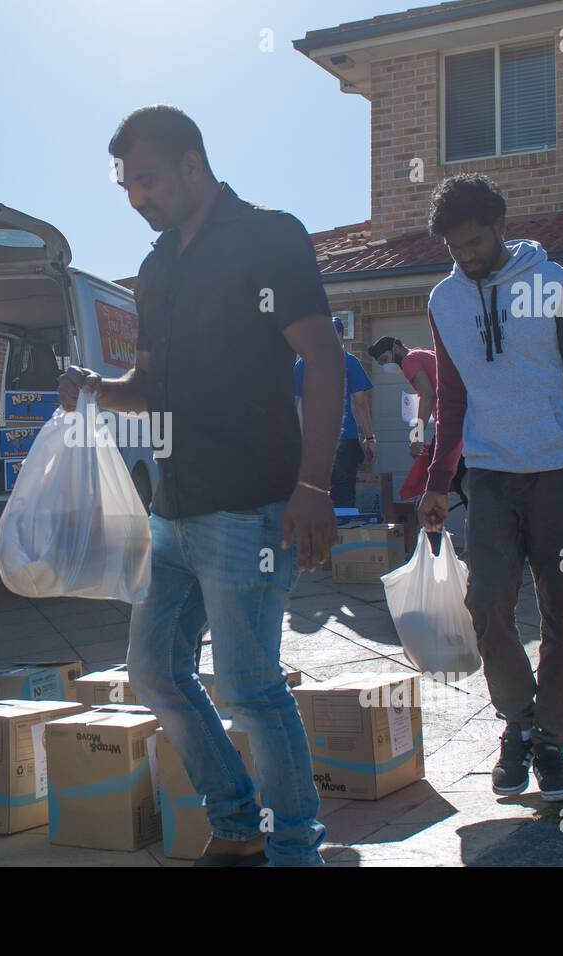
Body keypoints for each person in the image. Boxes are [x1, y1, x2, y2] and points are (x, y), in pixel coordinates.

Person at [59, 105, 341, 867]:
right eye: (125, 185)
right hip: (173, 510)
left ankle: (294, 844)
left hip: (249, 506)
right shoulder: (157, 267)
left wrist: (313, 486)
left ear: (192, 163)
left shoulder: (267, 237)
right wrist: (94, 387)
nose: (135, 197)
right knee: (154, 672)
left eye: (145, 178)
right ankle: (237, 823)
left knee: (250, 688)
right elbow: (147, 385)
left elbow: (322, 357)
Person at [416, 174, 563, 802]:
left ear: (499, 226)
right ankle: (518, 719)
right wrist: (437, 479)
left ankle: (550, 745)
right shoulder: (443, 301)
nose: (467, 255)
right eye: (455, 247)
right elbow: (452, 397)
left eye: (475, 240)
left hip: (562, 474)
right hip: (488, 477)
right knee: (485, 601)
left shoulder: (555, 284)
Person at [368, 335, 467, 552]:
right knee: (465, 483)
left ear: (396, 348)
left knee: (431, 484)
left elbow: (427, 395)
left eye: (385, 359)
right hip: (466, 424)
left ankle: (435, 550)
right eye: (381, 364)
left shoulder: (410, 360)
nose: (385, 366)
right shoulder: (425, 355)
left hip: (452, 426)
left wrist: (417, 437)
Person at [295, 316, 374, 508]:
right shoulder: (349, 361)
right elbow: (360, 401)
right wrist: (370, 438)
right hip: (344, 438)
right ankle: (345, 536)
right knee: (344, 493)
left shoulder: (303, 364)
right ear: (340, 335)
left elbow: (294, 403)